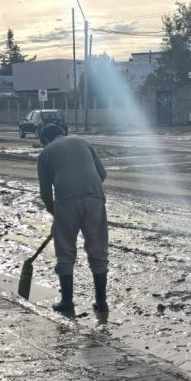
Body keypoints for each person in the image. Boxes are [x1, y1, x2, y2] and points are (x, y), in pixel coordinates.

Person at [37, 123, 109, 317]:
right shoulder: (84, 142)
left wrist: (56, 215)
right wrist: (87, 190)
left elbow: (45, 193)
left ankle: (67, 302)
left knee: (66, 251)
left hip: (66, 202)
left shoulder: (45, 153)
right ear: (64, 133)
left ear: (45, 140)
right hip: (94, 198)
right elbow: (102, 174)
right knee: (98, 249)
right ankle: (102, 303)